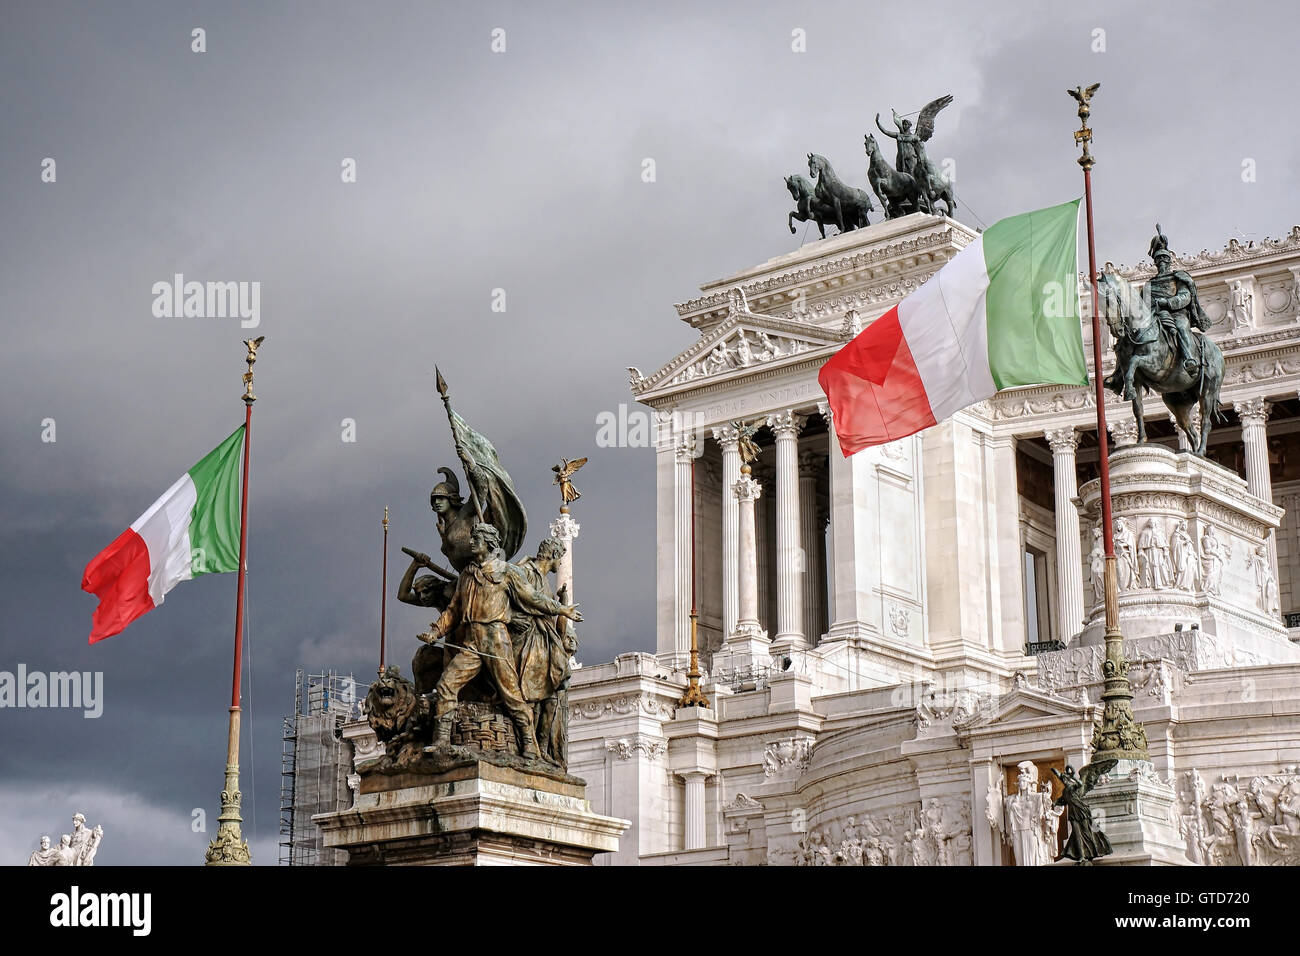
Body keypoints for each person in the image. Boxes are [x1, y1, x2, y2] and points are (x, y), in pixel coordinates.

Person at [419, 523, 581, 759]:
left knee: (511, 695)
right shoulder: (467, 574)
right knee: (446, 684)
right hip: (472, 641)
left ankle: (529, 743)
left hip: (496, 640)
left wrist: (561, 609)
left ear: (488, 544)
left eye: (476, 539)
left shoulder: (506, 572)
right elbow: (453, 610)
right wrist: (435, 632)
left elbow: (532, 598)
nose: (471, 542)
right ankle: (442, 741)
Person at [1147, 225, 1210, 376]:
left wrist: (1167, 302)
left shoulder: (1179, 277)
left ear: (1169, 261)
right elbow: (1144, 306)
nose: (1161, 261)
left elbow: (1185, 297)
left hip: (1178, 315)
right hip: (1156, 316)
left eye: (1164, 258)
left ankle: (1189, 359)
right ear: (1155, 263)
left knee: (1181, 327)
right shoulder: (1149, 285)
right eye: (1158, 259)